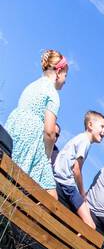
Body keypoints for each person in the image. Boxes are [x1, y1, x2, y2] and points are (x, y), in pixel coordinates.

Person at [3, 50, 67, 197]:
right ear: (59, 72)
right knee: (51, 196)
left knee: (10, 173)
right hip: (33, 138)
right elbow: (50, 132)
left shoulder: (32, 85)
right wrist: (47, 158)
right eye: (65, 75)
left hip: (14, 129)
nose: (65, 80)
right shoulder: (53, 94)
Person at [52, 110, 104, 216]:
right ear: (90, 125)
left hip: (58, 176)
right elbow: (76, 170)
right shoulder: (85, 141)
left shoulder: (80, 138)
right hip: (67, 183)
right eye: (102, 127)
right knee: (90, 224)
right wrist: (82, 194)